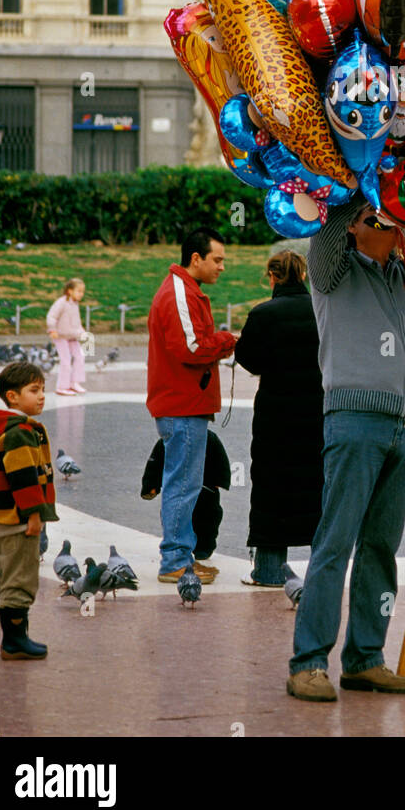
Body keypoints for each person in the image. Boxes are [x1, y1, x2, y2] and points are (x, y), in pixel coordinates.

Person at [287, 198, 405, 703]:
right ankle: (307, 663)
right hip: (355, 419)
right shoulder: (332, 273)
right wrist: (361, 189)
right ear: (353, 229)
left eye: (395, 224)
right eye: (379, 222)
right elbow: (324, 234)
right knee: (336, 543)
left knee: (381, 548)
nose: (391, 230)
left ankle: (366, 659)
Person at [146, 228, 238, 583]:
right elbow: (192, 348)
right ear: (195, 259)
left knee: (184, 483)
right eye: (217, 260)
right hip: (181, 405)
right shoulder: (179, 292)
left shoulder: (184, 290)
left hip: (185, 403)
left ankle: (182, 555)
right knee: (182, 484)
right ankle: (173, 562)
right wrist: (228, 340)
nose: (222, 267)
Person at [234, 249, 324, 589]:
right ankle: (321, 571)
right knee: (317, 488)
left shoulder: (263, 314)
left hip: (276, 416)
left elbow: (249, 359)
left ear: (271, 277)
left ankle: (269, 571)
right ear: (302, 275)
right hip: (317, 414)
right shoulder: (321, 310)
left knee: (271, 489)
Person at [0, 361, 57, 659]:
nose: (42, 396)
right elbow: (23, 479)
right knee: (19, 578)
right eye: (34, 390)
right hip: (17, 518)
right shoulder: (19, 432)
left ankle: (16, 638)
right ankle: (14, 641)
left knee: (9, 573)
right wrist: (34, 515)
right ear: (12, 396)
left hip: (1, 517)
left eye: (43, 390)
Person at [141, 429, 232, 563]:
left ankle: (203, 547)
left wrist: (219, 481)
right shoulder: (168, 439)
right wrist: (151, 485)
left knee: (208, 519)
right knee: (175, 518)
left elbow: (220, 460)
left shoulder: (209, 438)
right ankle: (176, 547)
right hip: (176, 489)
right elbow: (156, 462)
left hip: (205, 489)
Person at [47, 277, 88, 397]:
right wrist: (52, 329)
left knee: (80, 357)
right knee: (66, 360)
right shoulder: (61, 302)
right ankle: (62, 386)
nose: (81, 294)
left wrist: (82, 333)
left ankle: (74, 382)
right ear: (70, 291)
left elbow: (76, 322)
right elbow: (52, 316)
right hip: (60, 335)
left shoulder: (75, 304)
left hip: (72, 336)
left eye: (82, 292)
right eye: (79, 291)